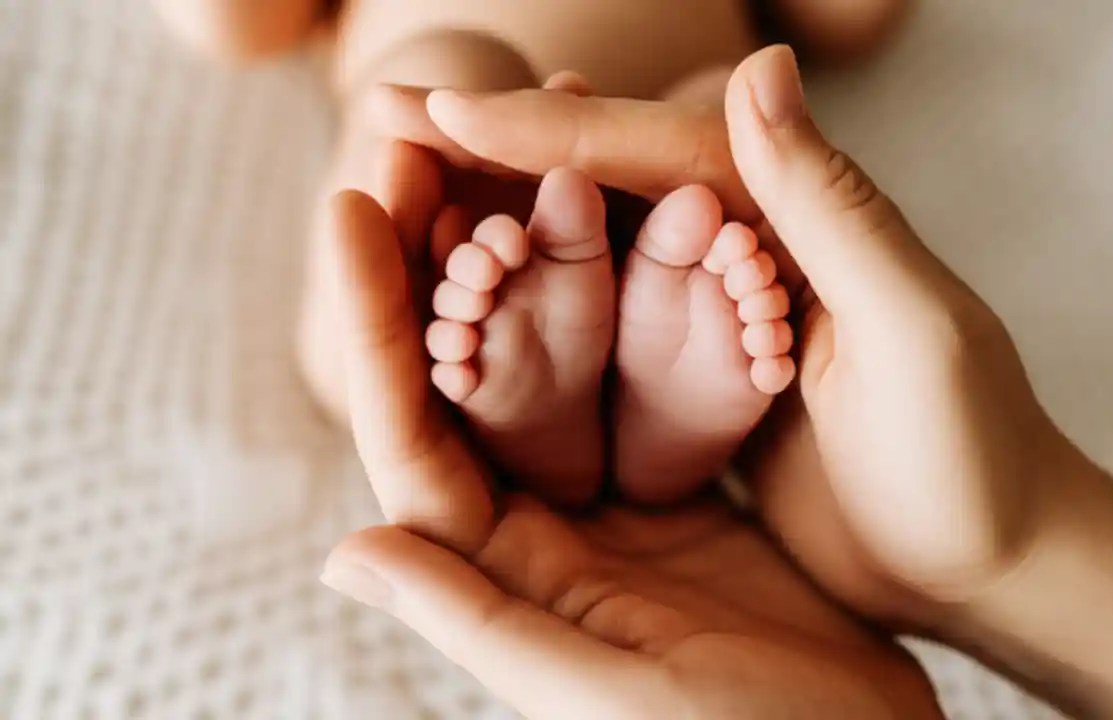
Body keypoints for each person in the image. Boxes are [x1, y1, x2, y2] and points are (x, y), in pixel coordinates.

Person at [323, 46, 1113, 719]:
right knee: (442, 95)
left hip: (653, 149)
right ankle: (623, 397)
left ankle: (626, 415)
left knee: (670, 125)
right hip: (578, 134)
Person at [152, 0, 908, 506]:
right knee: (444, 83)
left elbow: (846, 23)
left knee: (726, 111)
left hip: (670, 164)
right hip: (464, 174)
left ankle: (669, 412)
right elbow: (233, 24)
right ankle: (476, 375)